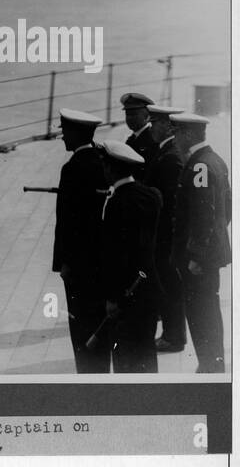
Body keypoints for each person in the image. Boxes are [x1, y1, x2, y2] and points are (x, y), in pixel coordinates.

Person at [170, 112, 231, 373]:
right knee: (207, 308)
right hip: (209, 253)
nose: (174, 140)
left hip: (199, 259)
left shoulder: (199, 166)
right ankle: (211, 361)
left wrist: (196, 254)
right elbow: (225, 210)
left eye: (177, 133)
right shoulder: (213, 160)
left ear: (187, 135)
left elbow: (204, 213)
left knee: (200, 311)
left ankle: (209, 364)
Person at [52, 109, 110, 373]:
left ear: (76, 134)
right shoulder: (102, 161)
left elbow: (67, 222)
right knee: (98, 322)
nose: (62, 136)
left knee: (81, 324)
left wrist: (63, 263)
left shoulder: (72, 168)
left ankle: (87, 375)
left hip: (79, 264)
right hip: (102, 260)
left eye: (65, 132)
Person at [96, 140, 161, 373]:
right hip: (149, 287)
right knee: (145, 352)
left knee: (125, 357)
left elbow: (116, 256)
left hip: (126, 294)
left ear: (112, 169)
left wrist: (112, 298)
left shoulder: (116, 204)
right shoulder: (151, 196)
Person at [145, 104, 187, 352]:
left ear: (166, 125)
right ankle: (172, 334)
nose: (151, 129)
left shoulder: (170, 156)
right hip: (164, 235)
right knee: (168, 285)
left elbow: (171, 202)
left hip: (165, 236)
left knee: (170, 286)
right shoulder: (167, 151)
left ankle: (174, 337)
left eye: (154, 124)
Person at [120, 92, 157, 167]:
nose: (130, 118)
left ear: (147, 116)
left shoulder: (152, 139)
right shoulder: (131, 139)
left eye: (134, 114)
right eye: (128, 114)